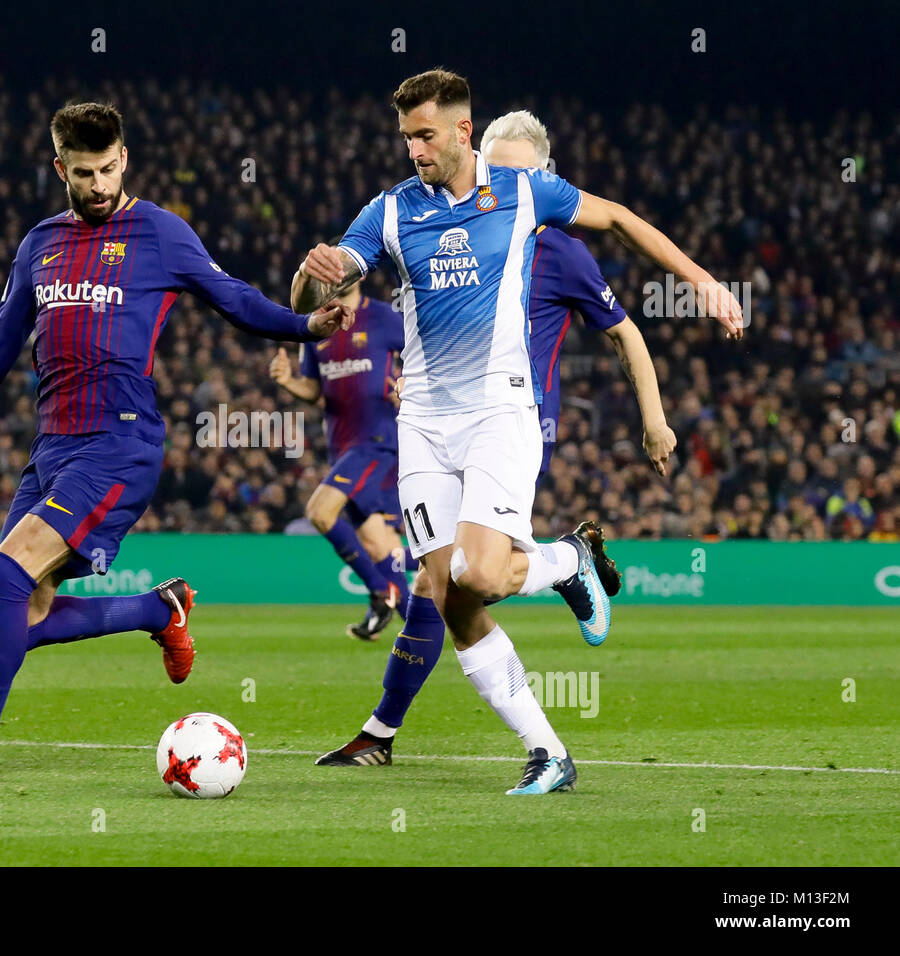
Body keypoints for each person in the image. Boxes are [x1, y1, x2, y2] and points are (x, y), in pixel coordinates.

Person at [293, 70, 742, 794]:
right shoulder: (390, 211)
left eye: (426, 134)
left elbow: (621, 218)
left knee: (483, 573)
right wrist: (322, 271)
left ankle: (568, 561)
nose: (414, 149)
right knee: (449, 594)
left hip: (501, 414)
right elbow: (337, 272)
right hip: (424, 427)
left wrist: (701, 280)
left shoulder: (526, 193)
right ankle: (549, 753)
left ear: (464, 132)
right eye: (406, 136)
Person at [0, 102, 352, 783]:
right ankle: (158, 607)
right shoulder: (40, 244)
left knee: (5, 573)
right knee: (20, 615)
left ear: (126, 160)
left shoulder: (160, 232)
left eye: (108, 169)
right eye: (83, 173)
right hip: (52, 445)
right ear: (61, 167)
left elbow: (233, 297)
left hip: (121, 443)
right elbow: (1, 336)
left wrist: (303, 328)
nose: (97, 185)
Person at [269, 267, 408, 640]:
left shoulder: (382, 316)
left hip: (378, 440)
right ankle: (419, 623)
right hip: (343, 447)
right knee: (380, 543)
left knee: (319, 511)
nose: (340, 274)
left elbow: (424, 354)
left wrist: (411, 383)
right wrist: (288, 382)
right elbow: (315, 390)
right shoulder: (317, 328)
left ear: (359, 274)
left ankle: (381, 594)